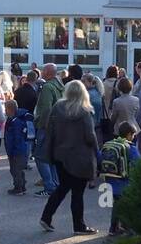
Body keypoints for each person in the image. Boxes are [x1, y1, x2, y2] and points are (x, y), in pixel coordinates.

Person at [39, 80, 98, 235]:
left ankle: (46, 217)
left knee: (63, 188)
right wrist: (97, 153)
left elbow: (49, 129)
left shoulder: (57, 108)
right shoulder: (84, 112)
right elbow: (90, 136)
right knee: (77, 193)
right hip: (80, 158)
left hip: (60, 155)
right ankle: (79, 226)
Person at [99, 122, 140, 236]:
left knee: (117, 203)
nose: (133, 137)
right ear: (128, 134)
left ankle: (113, 228)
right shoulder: (130, 148)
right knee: (125, 204)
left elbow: (99, 157)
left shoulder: (110, 144)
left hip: (109, 180)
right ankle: (127, 228)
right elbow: (139, 163)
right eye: (133, 135)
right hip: (124, 182)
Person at [33, 63, 64, 197]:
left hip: (46, 127)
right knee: (51, 157)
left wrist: (40, 124)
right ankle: (55, 184)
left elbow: (46, 109)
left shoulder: (47, 87)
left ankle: (49, 187)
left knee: (40, 157)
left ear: (47, 72)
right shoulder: (60, 87)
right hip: (57, 126)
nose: (41, 72)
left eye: (43, 70)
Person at [3, 99, 33, 196]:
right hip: (17, 149)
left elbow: (17, 137)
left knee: (15, 170)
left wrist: (13, 150)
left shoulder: (15, 122)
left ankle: (18, 187)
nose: (5, 111)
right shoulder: (13, 120)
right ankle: (22, 185)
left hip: (17, 150)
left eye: (6, 109)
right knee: (18, 169)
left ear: (10, 109)